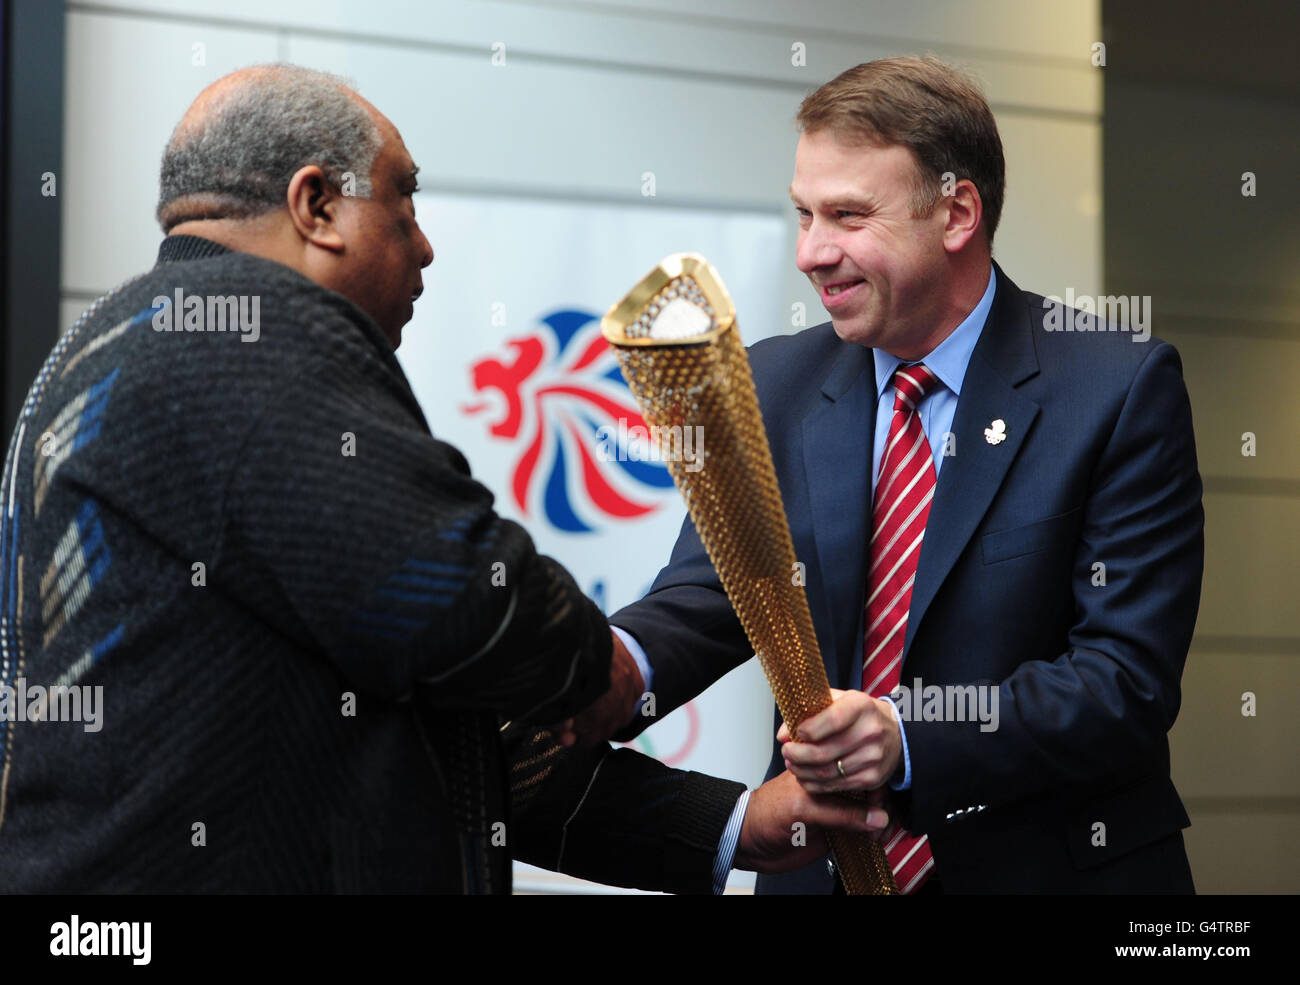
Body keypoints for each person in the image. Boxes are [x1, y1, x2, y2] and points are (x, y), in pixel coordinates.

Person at [0, 64, 884, 893]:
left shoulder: (102, 348)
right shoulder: (255, 335)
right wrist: (595, 664)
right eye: (403, 199)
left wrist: (728, 821)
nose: (424, 246)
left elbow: (430, 713)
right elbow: (463, 594)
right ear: (316, 205)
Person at [600, 56, 1204, 894]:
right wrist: (614, 667)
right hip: (823, 872)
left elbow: (1124, 682)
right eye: (804, 214)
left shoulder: (1116, 386)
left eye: (847, 215)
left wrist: (907, 734)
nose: (812, 252)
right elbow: (712, 594)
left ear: (957, 212)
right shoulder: (774, 381)